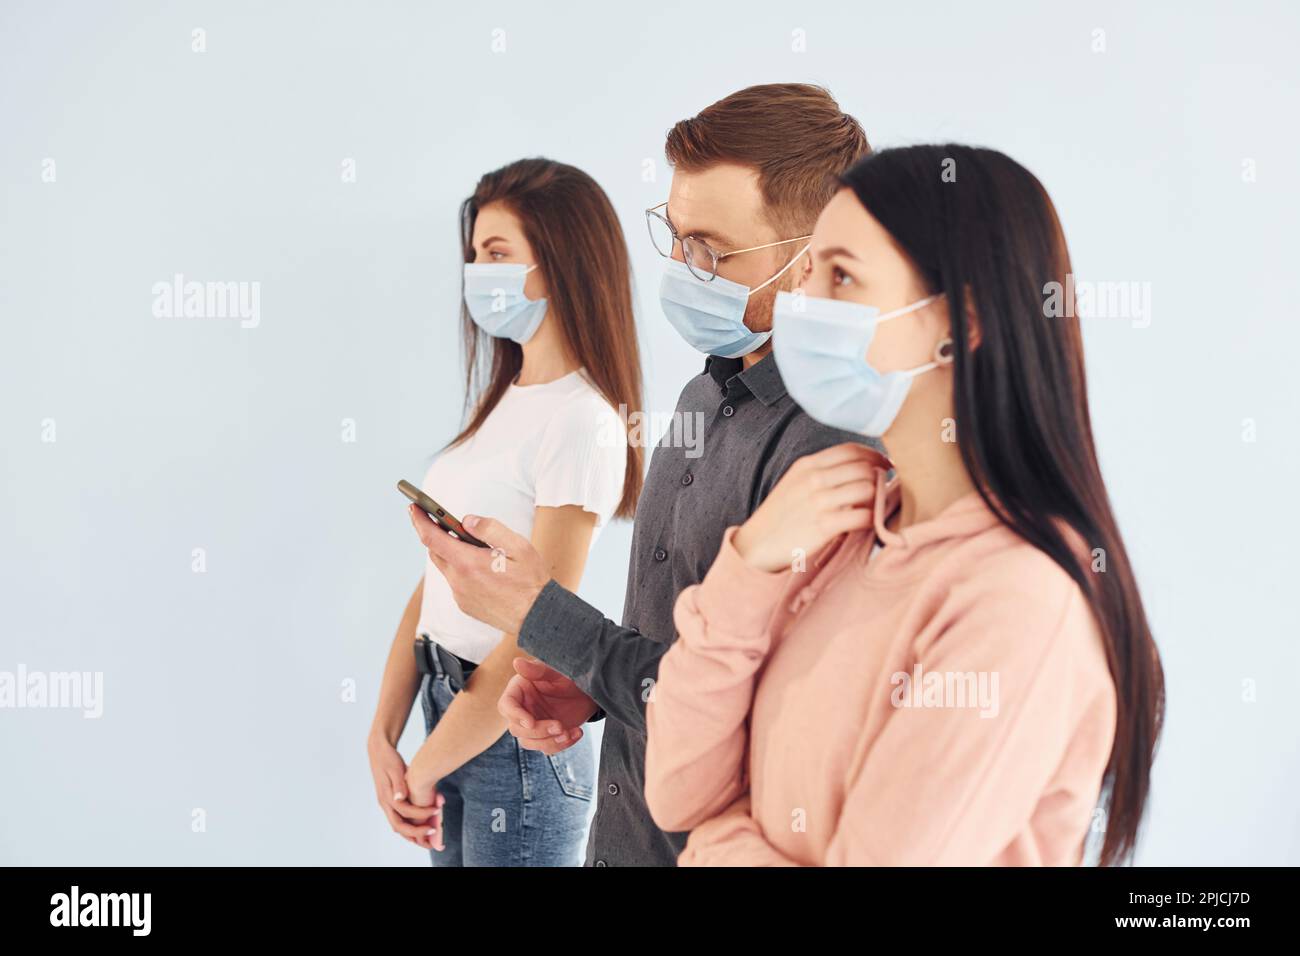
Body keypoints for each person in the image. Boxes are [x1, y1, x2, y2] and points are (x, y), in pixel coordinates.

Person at [642, 144, 1166, 866]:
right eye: (809, 269)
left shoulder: (1014, 603)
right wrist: (751, 565)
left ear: (962, 323)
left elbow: (698, 829)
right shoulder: (833, 526)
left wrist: (713, 847)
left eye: (843, 277)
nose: (802, 303)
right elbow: (676, 795)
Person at [408, 84, 874, 865]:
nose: (683, 268)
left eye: (711, 250)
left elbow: (765, 714)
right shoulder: (701, 395)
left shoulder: (834, 449)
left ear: (812, 261)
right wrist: (591, 689)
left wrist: (540, 614)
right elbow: (678, 652)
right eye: (676, 234)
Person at [370, 158, 643, 866]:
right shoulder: (505, 404)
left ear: (558, 262)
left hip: (507, 748)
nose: (477, 273)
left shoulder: (582, 420)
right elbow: (438, 583)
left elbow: (537, 633)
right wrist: (384, 733)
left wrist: (423, 767)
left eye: (496, 254)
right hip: (450, 722)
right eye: (474, 255)